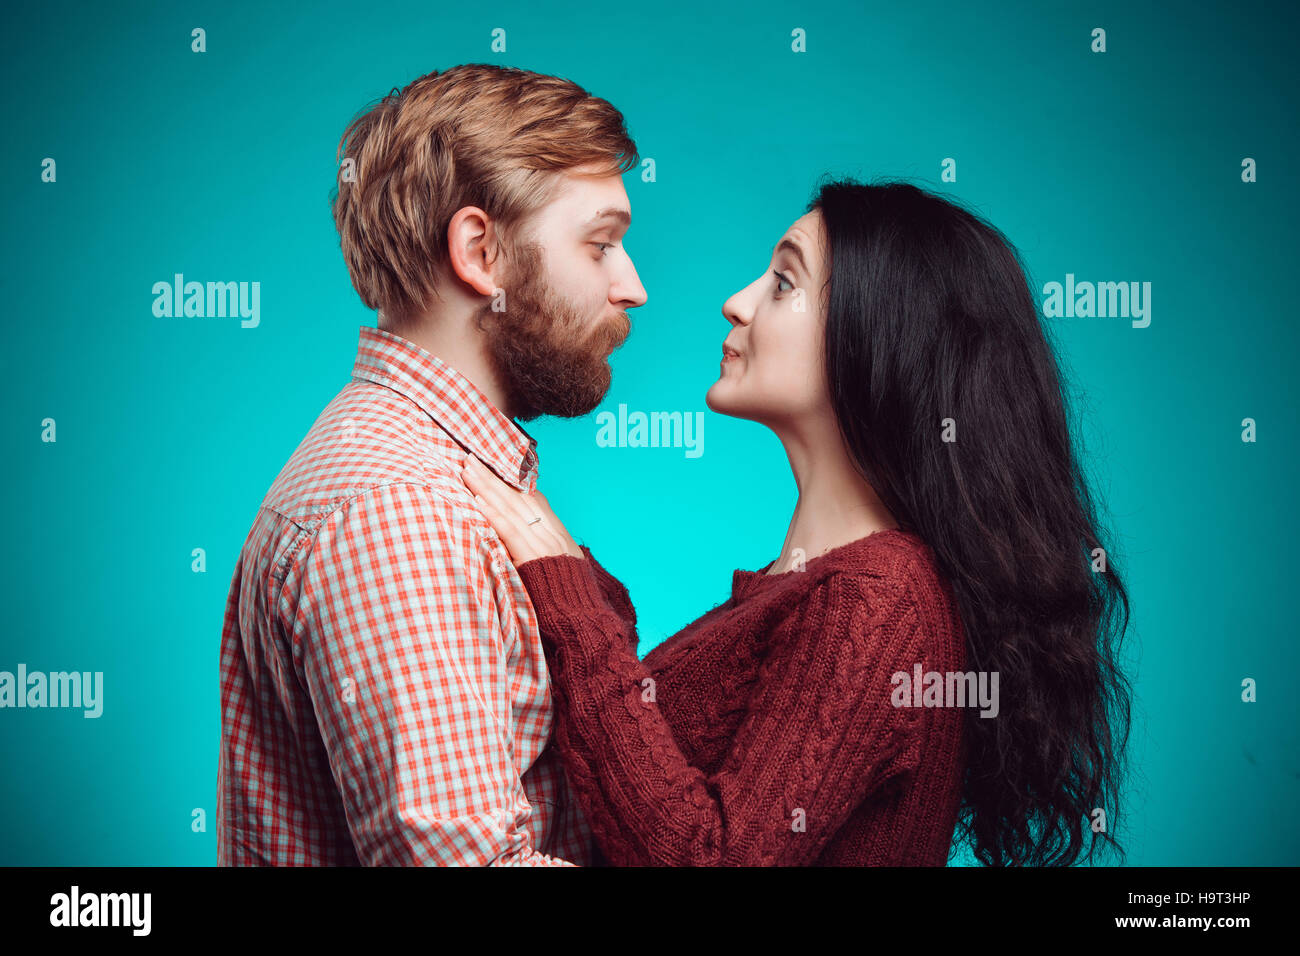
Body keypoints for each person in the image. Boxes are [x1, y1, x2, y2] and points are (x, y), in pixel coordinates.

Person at [464, 179, 1135, 866]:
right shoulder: (830, 586)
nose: (737, 303)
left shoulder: (875, 602)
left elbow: (712, 858)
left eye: (783, 282)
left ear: (878, 338)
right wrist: (569, 581)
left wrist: (569, 599)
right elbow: (657, 758)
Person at [216, 63, 647, 865]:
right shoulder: (399, 512)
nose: (634, 286)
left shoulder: (415, 476)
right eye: (601, 244)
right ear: (480, 253)